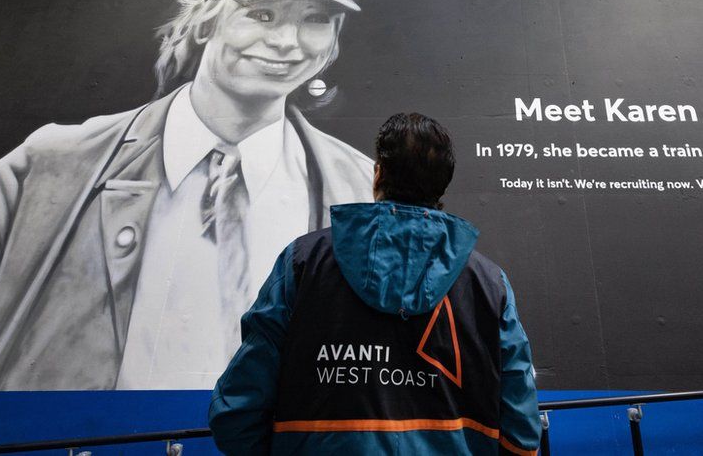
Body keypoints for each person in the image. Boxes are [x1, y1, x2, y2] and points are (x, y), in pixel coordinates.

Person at [0, 0, 373, 390]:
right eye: (261, 14)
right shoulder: (50, 164)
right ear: (206, 21)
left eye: (316, 19)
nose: (288, 41)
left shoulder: (363, 187)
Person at [209, 113, 541, 456]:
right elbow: (521, 425)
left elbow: (238, 409)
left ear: (378, 172)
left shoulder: (302, 263)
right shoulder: (489, 284)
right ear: (442, 185)